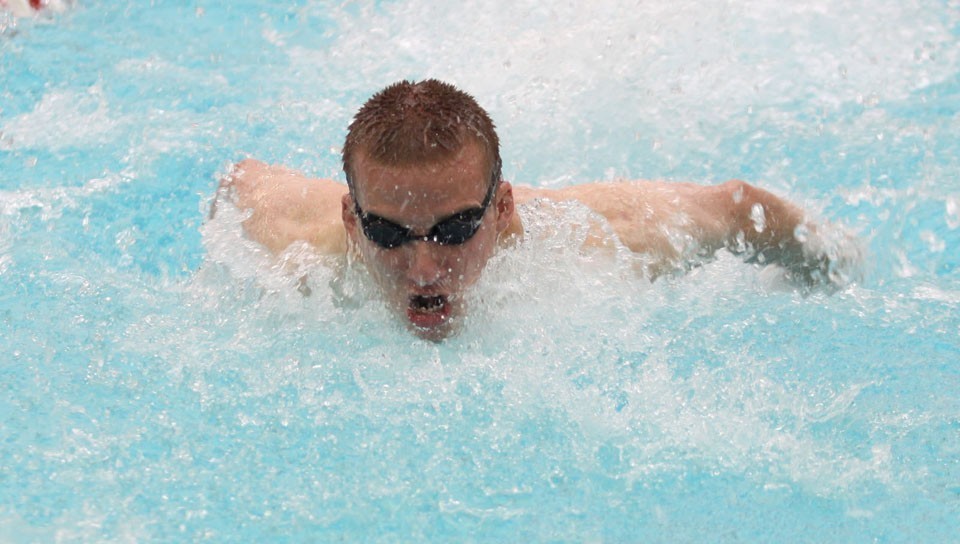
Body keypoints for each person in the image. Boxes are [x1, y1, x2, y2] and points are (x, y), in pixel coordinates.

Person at [215, 79, 853, 339]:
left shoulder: (596, 244)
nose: (423, 266)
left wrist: (841, 277)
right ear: (351, 221)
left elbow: (741, 209)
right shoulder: (295, 241)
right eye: (387, 232)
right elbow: (238, 180)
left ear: (502, 212)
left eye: (456, 228)